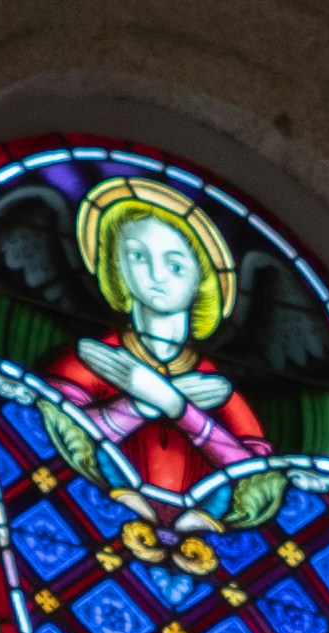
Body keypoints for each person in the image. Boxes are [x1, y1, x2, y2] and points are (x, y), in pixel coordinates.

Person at [36, 172, 270, 490]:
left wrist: (176, 405)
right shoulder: (87, 362)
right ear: (115, 264)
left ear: (202, 280)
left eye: (175, 265)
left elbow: (257, 478)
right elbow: (46, 440)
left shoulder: (215, 387)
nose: (156, 274)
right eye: (137, 256)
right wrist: (139, 404)